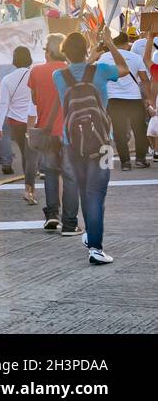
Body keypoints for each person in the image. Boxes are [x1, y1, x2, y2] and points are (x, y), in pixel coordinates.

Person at [52, 29, 128, 265]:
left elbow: (78, 70)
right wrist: (109, 45)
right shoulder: (101, 71)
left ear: (64, 52)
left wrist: (89, 55)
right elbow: (124, 69)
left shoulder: (59, 76)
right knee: (97, 193)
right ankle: (95, 246)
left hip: (72, 143)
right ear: (87, 50)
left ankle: (89, 235)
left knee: (85, 190)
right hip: (103, 143)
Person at [30, 33, 70, 231]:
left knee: (51, 173)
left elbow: (35, 100)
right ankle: (69, 218)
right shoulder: (70, 71)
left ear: (49, 51)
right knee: (70, 174)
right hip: (69, 131)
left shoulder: (36, 71)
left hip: (47, 130)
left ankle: (52, 213)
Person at [0, 45, 39, 204]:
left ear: (14, 60)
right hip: (34, 120)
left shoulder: (7, 79)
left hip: (16, 122)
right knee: (32, 155)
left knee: (25, 153)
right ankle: (30, 190)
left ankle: (29, 188)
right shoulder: (35, 75)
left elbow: (3, 103)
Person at [102, 34, 148, 169]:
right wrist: (147, 98)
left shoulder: (104, 57)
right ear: (127, 43)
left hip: (113, 98)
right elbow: (144, 79)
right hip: (134, 98)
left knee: (119, 130)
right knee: (139, 129)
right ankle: (140, 159)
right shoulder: (135, 57)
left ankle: (125, 162)